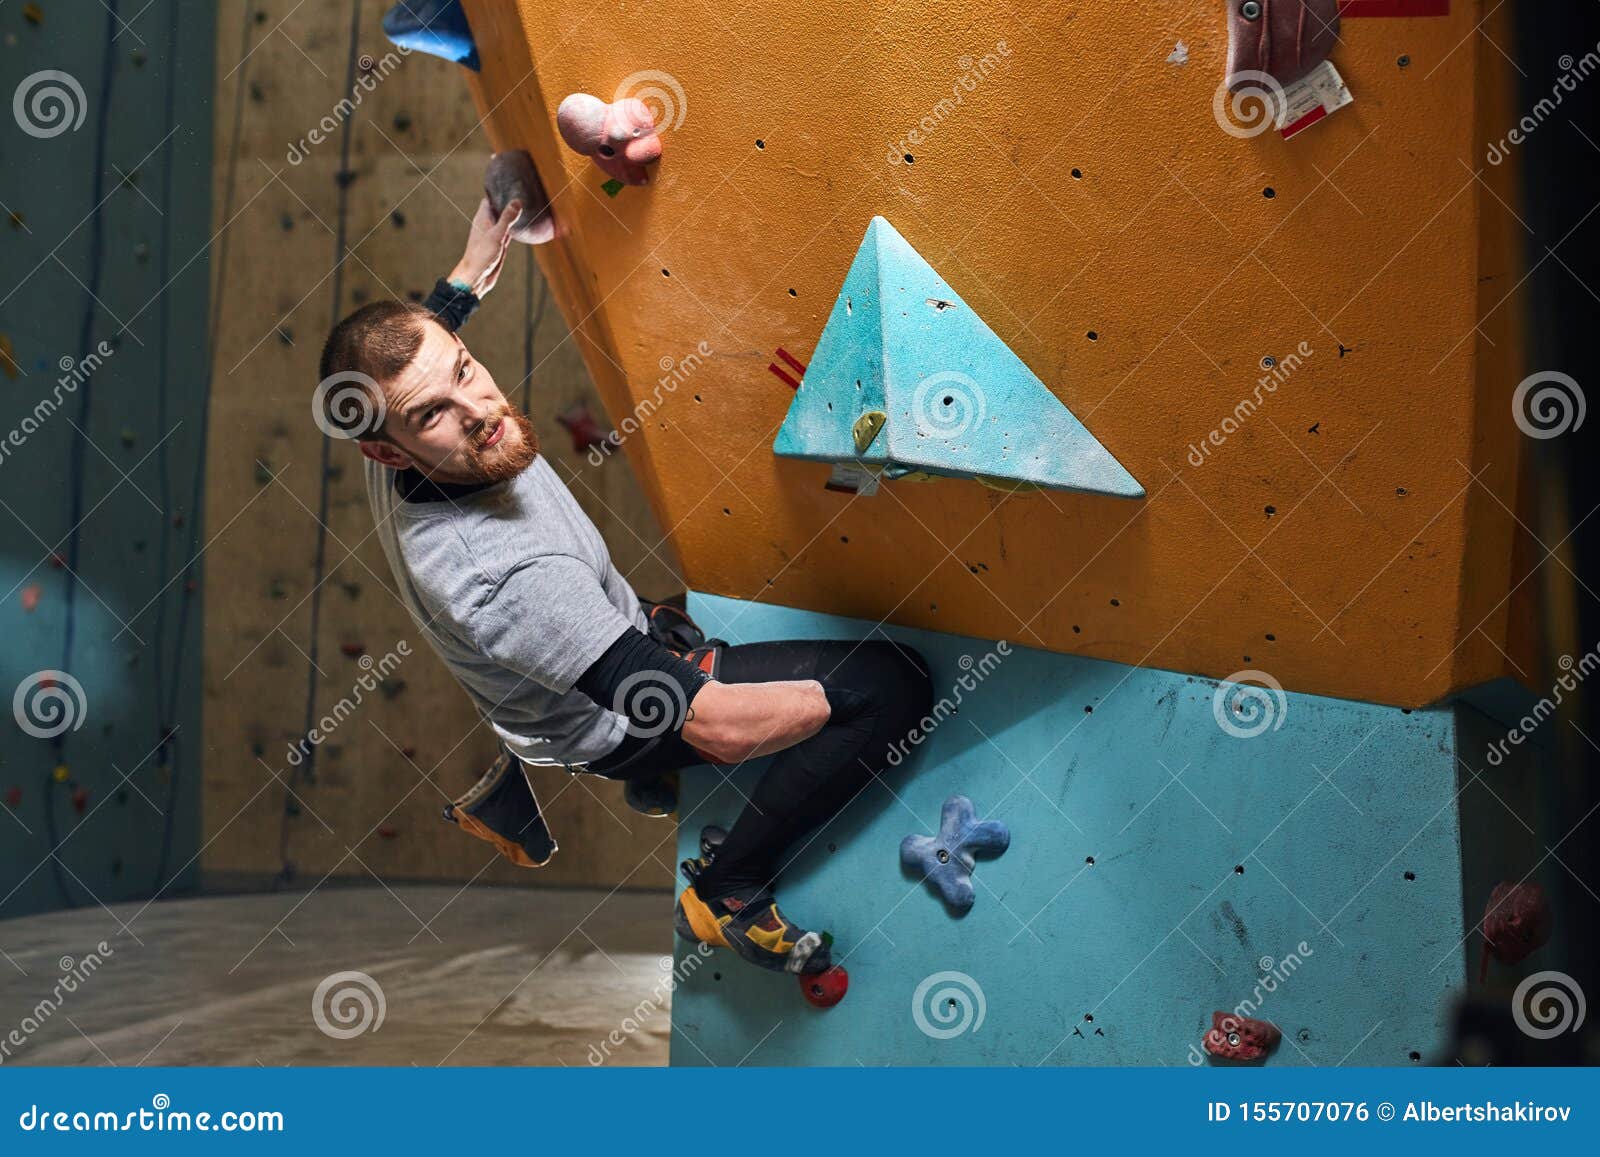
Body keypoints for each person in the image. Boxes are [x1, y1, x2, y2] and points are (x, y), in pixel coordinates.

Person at [315, 195, 933, 975]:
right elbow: (720, 727)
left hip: (578, 649)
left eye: (466, 372)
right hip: (610, 722)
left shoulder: (396, 409)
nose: (479, 411)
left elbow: (427, 343)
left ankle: (652, 757)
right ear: (387, 454)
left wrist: (473, 265)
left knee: (661, 618)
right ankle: (725, 889)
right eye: (434, 412)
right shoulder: (508, 580)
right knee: (891, 685)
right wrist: (830, 704)